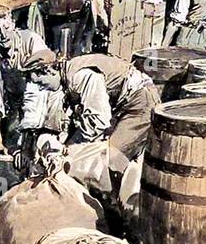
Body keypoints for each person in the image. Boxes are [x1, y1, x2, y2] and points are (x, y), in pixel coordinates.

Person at [26, 51, 160, 183]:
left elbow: (99, 121)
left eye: (41, 83)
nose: (42, 88)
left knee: (112, 159)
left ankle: (120, 199)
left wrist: (69, 148)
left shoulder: (81, 76)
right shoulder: (67, 78)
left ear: (49, 71)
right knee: (94, 154)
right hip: (122, 104)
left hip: (140, 101)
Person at [0, 7, 55, 163]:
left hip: (45, 103)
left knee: (39, 150)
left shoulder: (32, 40)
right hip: (16, 105)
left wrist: (26, 147)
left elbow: (38, 91)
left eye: (6, 28)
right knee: (12, 146)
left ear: (13, 24)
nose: (4, 35)